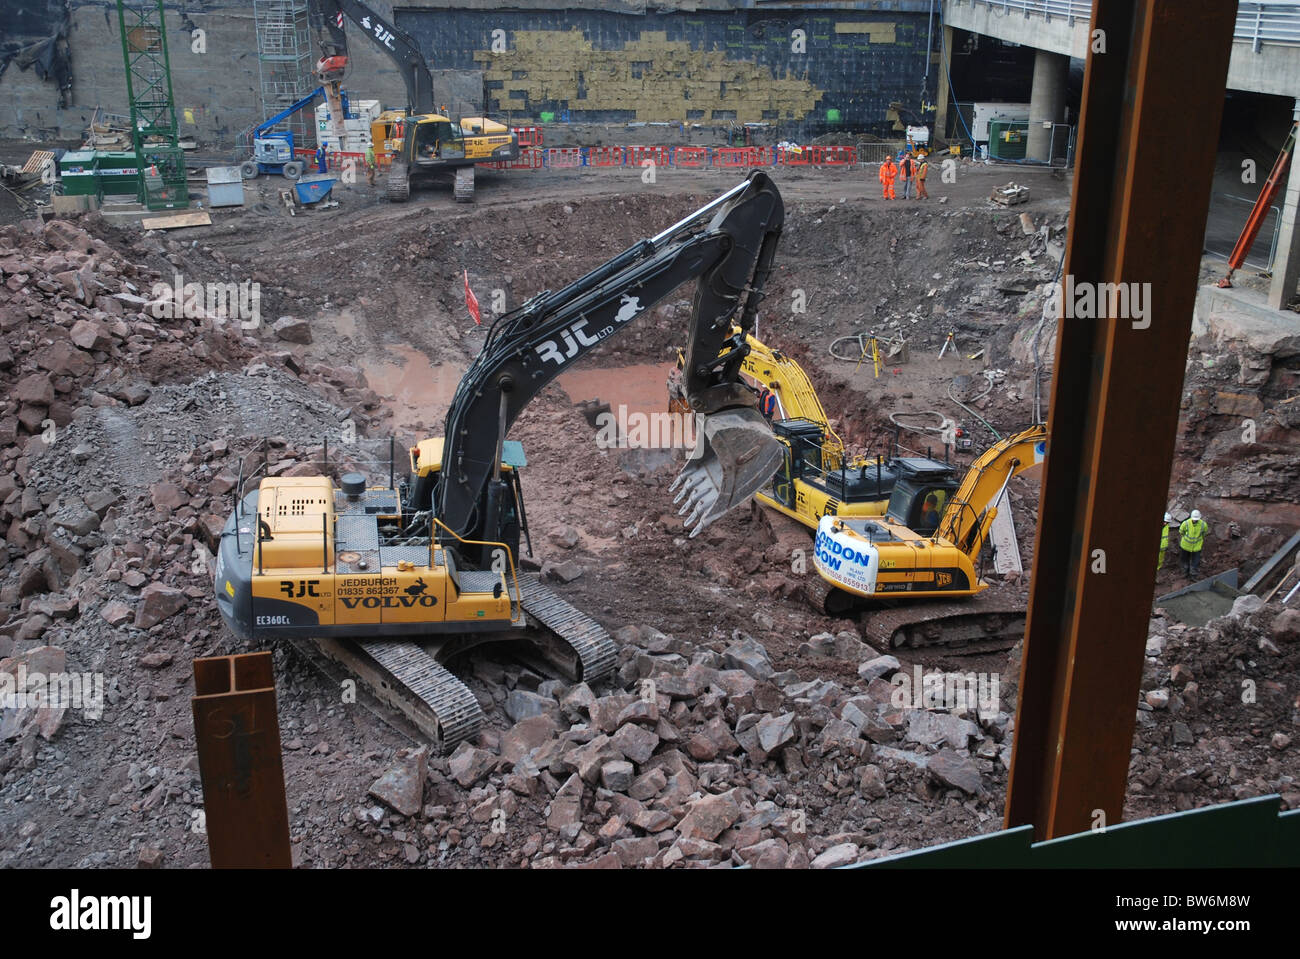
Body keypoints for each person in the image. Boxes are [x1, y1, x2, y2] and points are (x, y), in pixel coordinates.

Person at [1179, 509, 1209, 576]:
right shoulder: (1186, 523)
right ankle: (1185, 572)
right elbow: (1181, 532)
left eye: (1196, 519)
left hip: (1196, 546)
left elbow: (1204, 533)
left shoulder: (1203, 525)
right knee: (1184, 559)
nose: (1195, 520)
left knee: (1195, 561)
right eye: (1194, 519)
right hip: (1185, 545)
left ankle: (1193, 573)